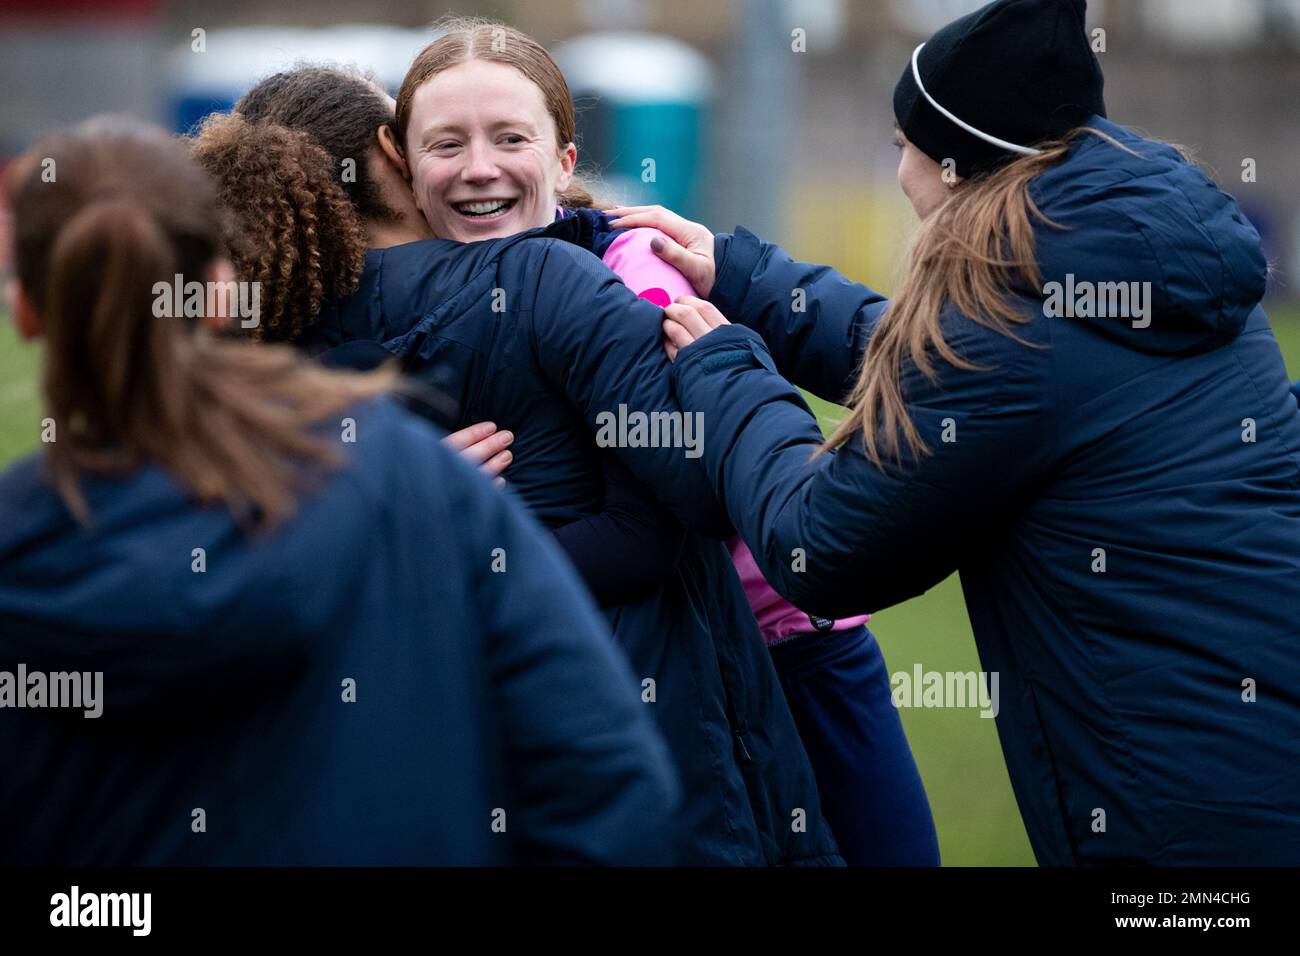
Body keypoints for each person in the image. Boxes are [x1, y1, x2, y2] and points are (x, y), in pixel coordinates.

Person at [631, 0, 1300, 865]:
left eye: (904, 142)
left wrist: (726, 375)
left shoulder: (1014, 333)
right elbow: (966, 390)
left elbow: (821, 545)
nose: (896, 165)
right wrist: (749, 279)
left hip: (1182, 826)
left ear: (952, 164)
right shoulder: (1142, 262)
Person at [192, 67, 842, 866]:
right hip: (636, 726)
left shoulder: (259, 358)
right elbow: (698, 500)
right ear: (393, 154)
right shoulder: (546, 277)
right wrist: (727, 361)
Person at [0, 115, 681, 865]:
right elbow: (610, 785)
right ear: (223, 293)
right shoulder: (412, 480)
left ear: (24, 310)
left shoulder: (22, 542)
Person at [388, 17, 939, 867]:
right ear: (403, 163)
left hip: (789, 650)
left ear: (566, 160)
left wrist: (462, 539)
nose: (479, 167)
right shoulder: (413, 304)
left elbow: (661, 522)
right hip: (617, 666)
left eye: (510, 138)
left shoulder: (630, 272)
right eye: (447, 143)